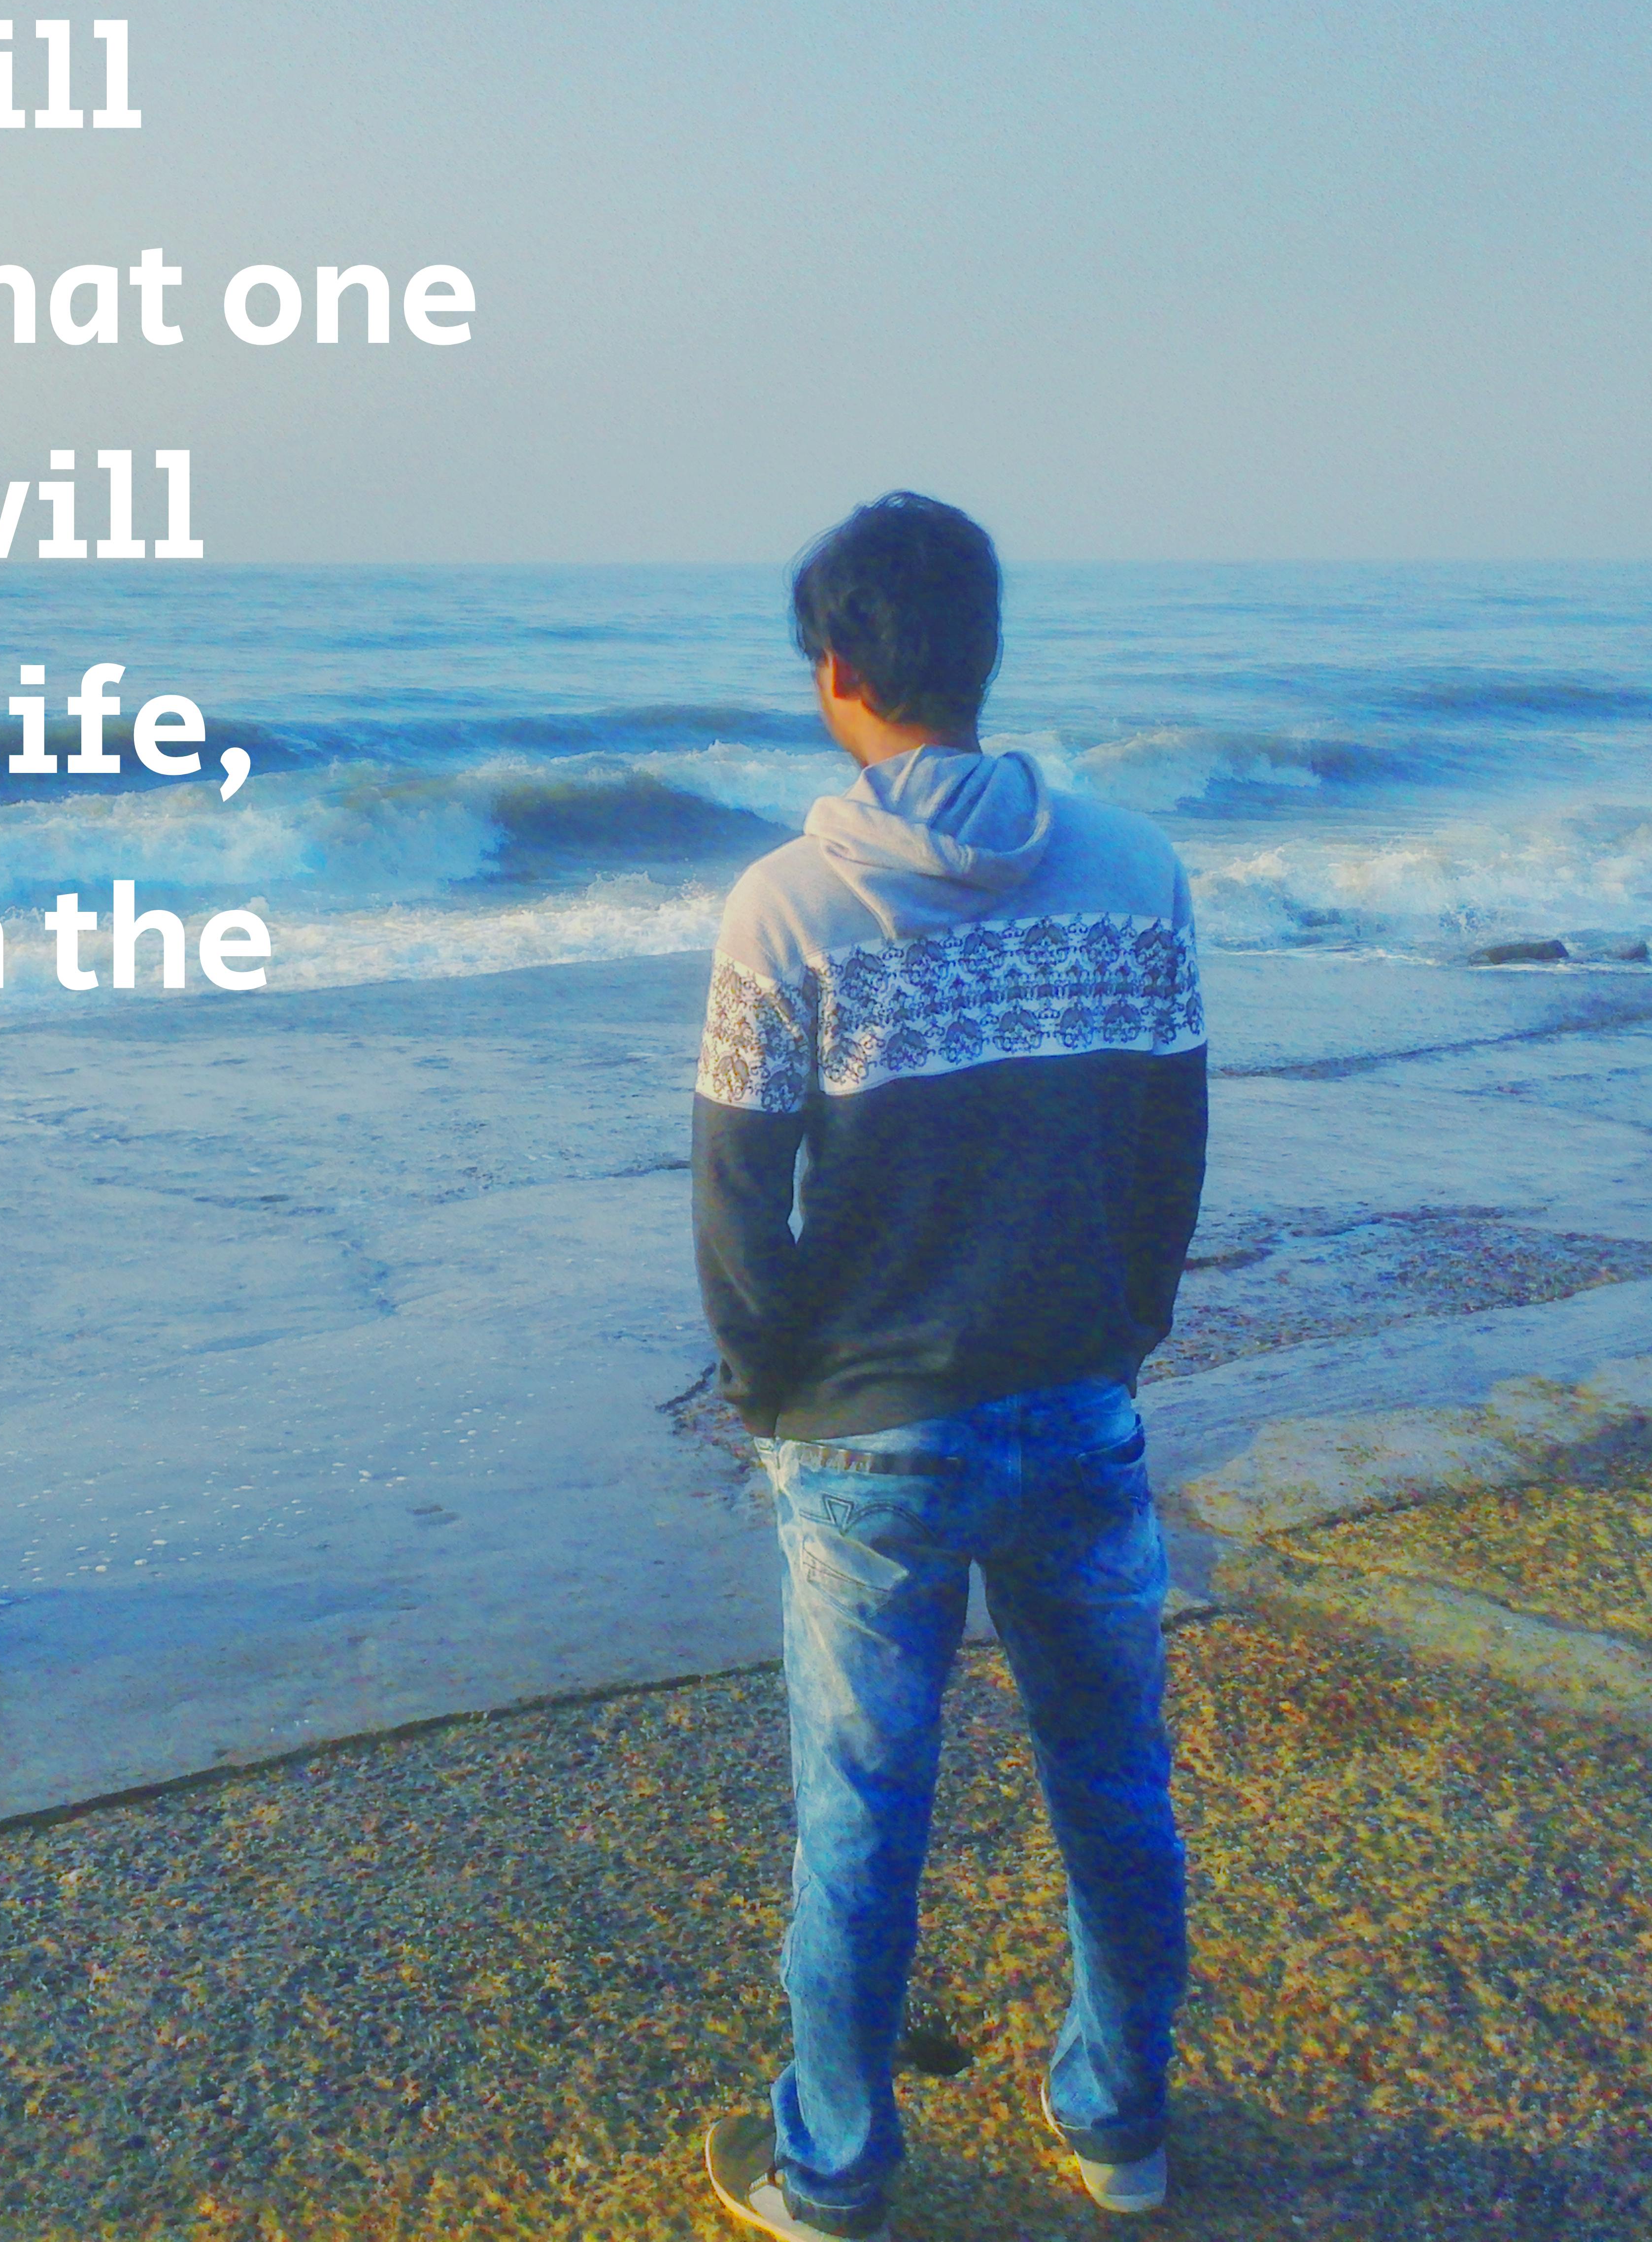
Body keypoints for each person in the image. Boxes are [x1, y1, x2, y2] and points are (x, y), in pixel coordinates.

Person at [694, 494, 1208, 2234]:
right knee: (1114, 1783)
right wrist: (1121, 1333)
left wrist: (776, 1403)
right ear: (985, 654)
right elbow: (1170, 1151)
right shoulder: (1136, 870)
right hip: (1077, 1404)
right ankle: (1122, 2125)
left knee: (862, 1816)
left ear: (837, 671)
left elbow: (738, 1211)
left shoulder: (787, 907)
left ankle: (836, 2168)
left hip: (869, 1436)